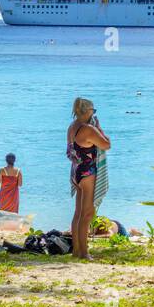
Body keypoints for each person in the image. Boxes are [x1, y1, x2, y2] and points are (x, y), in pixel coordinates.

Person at [67, 97, 110, 260]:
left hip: (75, 172)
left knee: (78, 213)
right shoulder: (89, 129)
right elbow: (106, 144)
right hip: (87, 174)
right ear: (88, 112)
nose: (94, 114)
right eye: (94, 111)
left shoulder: (72, 127)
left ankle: (76, 251)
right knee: (87, 214)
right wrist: (99, 128)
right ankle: (84, 253)